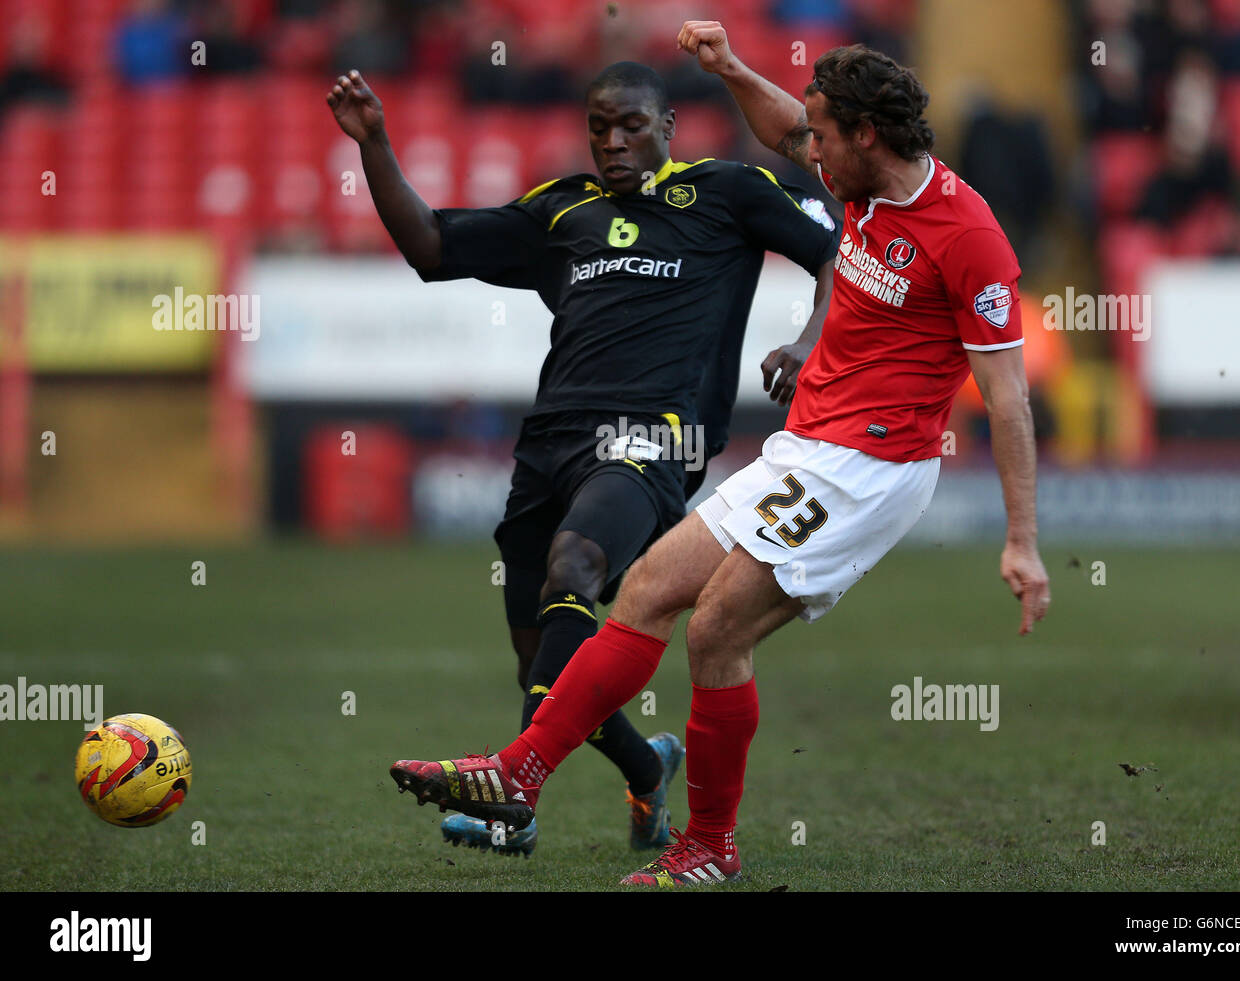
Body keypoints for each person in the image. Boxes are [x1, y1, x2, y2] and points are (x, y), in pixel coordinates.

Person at [389, 22, 1053, 888]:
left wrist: (1022, 539)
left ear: (865, 136)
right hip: (806, 446)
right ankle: (518, 774)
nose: (807, 151)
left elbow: (1008, 398)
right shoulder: (859, 175)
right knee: (646, 590)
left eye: (823, 136)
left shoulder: (968, 236)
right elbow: (783, 127)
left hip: (870, 470)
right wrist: (733, 67)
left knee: (715, 631)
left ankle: (709, 845)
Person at [328, 61, 839, 857]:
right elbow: (430, 245)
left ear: (668, 127)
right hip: (550, 442)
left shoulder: (727, 192)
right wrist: (375, 143)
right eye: (600, 127)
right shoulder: (561, 208)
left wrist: (811, 343)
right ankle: (645, 767)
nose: (614, 141)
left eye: (631, 125)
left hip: (656, 436)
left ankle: (514, 793)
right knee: (541, 657)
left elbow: (838, 251)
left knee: (576, 564)